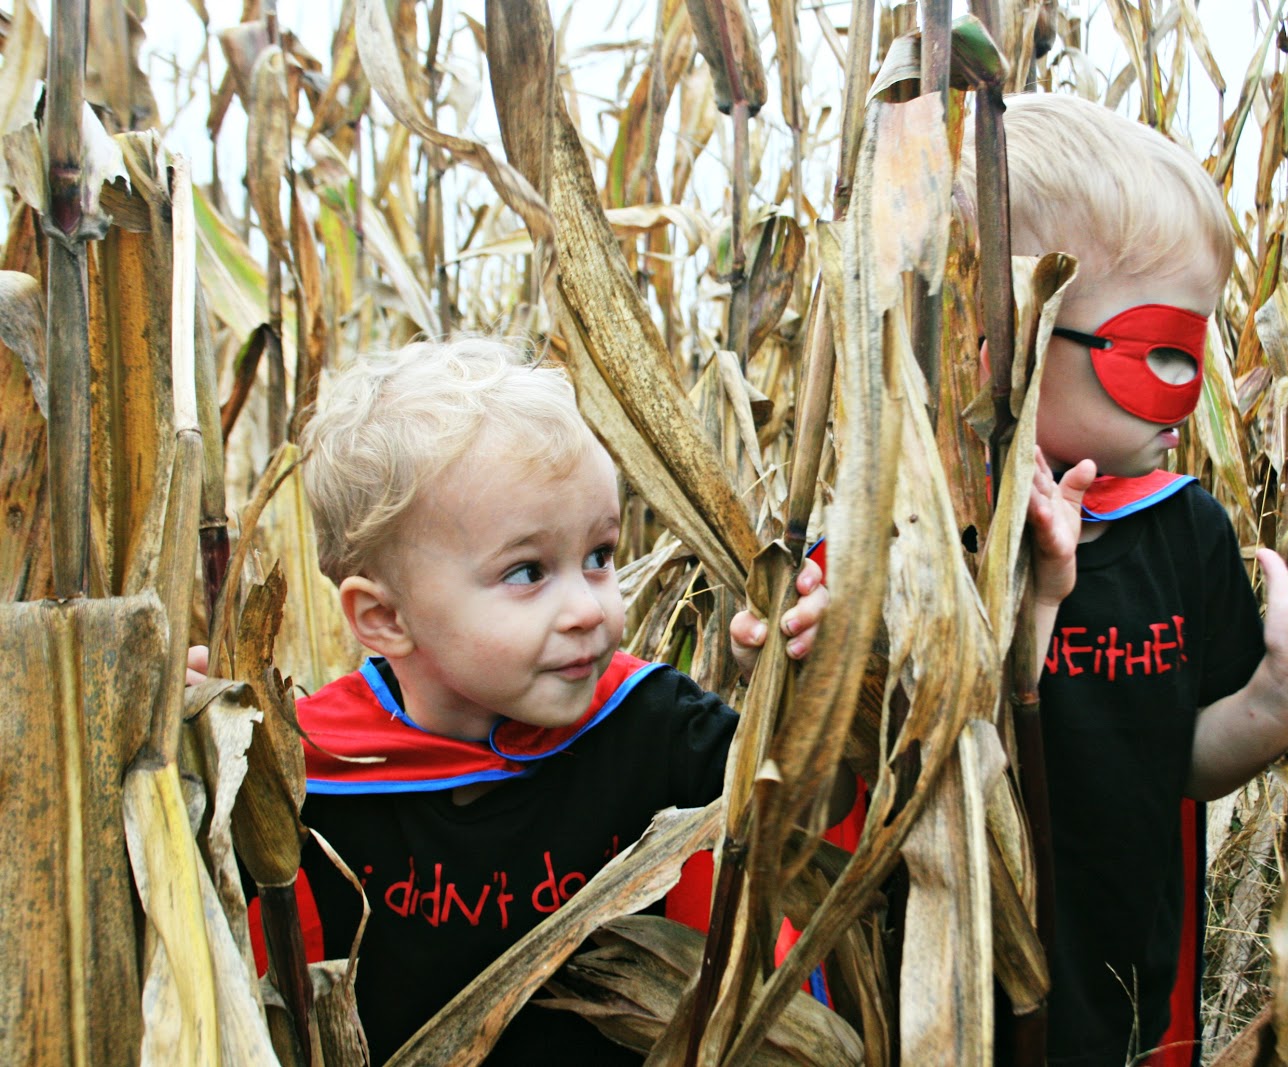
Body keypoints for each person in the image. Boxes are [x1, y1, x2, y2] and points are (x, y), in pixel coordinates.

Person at [197, 337, 833, 1064]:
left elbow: (809, 826)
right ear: (384, 618)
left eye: (599, 555)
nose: (590, 607)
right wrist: (195, 755)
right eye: (529, 571)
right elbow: (181, 925)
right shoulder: (306, 773)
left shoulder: (651, 726)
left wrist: (808, 681)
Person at [964, 94, 1288, 1066]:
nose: (1196, 382)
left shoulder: (1187, 531)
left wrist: (1283, 688)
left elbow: (1188, 761)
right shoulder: (926, 536)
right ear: (1005, 334)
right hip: (951, 987)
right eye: (1164, 350)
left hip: (1129, 969)